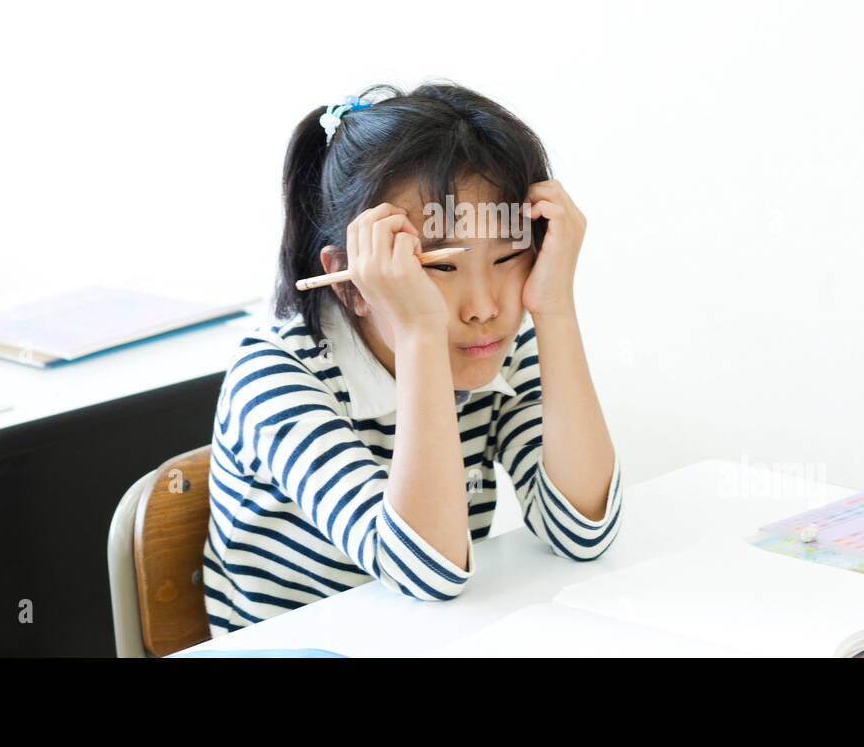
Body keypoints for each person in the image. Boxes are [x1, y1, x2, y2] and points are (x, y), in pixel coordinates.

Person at [202, 80, 621, 636]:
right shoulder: (277, 375)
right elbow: (426, 570)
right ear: (350, 282)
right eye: (442, 266)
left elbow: (581, 531)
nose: (484, 308)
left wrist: (555, 308)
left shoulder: (499, 350)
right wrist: (420, 329)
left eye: (511, 256)